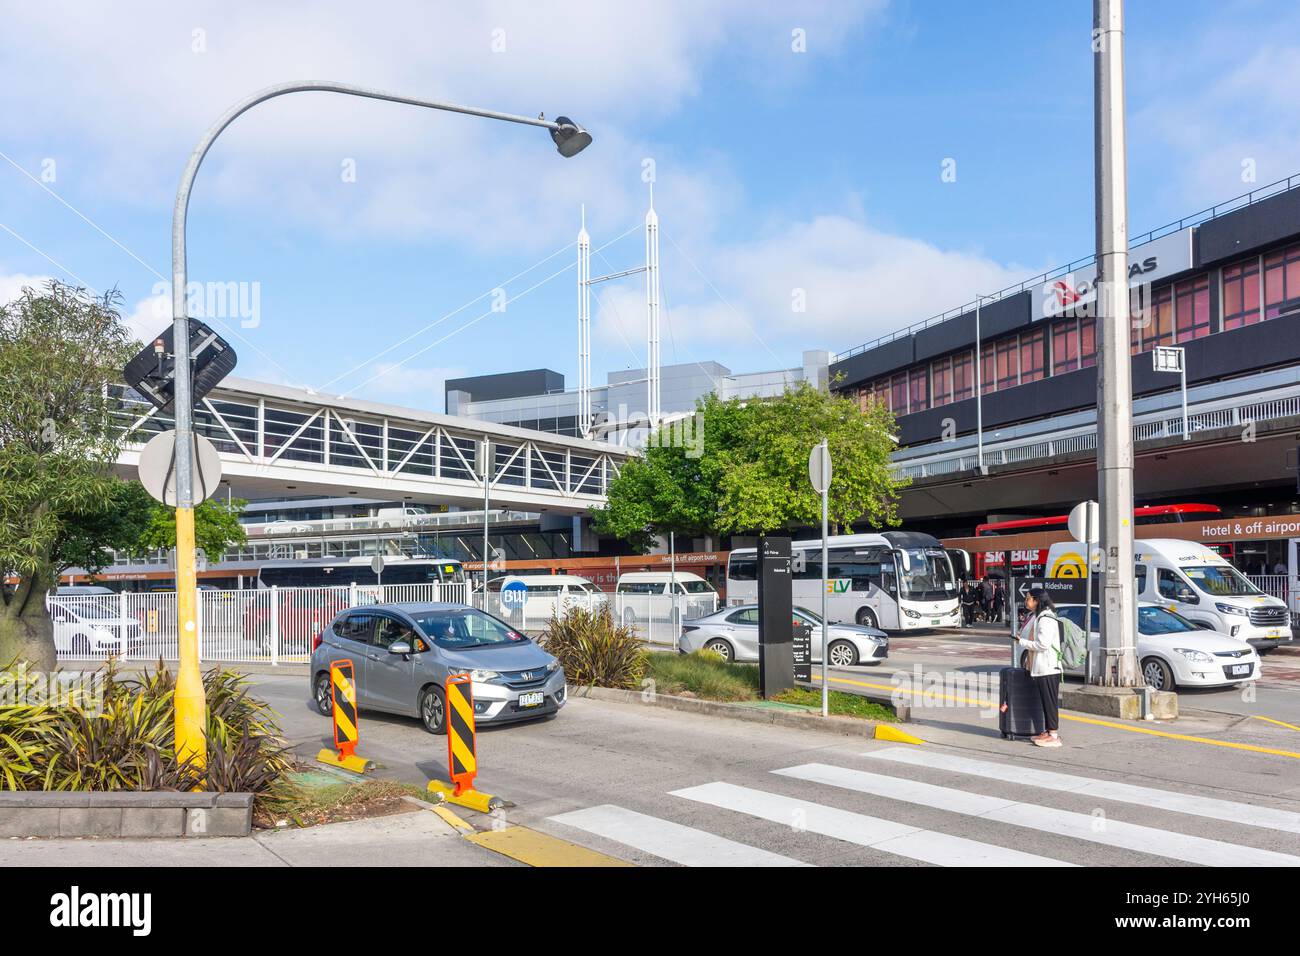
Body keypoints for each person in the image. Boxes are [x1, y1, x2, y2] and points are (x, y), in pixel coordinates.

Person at [1014, 587, 1063, 748]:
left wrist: (1022, 642)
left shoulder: (1046, 618)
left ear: (1036, 600)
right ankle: (1049, 731)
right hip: (1043, 667)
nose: (1026, 601)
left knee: (1049, 702)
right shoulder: (1039, 616)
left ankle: (1054, 735)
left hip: (1048, 667)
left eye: (1028, 598)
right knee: (1045, 701)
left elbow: (1043, 644)